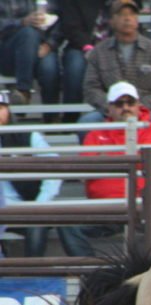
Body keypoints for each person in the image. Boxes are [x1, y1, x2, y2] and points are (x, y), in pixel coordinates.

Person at [79, 81, 151, 253]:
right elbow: (86, 169)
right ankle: (91, 267)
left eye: (130, 102)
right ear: (109, 108)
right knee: (67, 226)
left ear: (138, 105)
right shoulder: (94, 134)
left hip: (143, 205)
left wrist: (106, 159)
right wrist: (130, 159)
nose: (125, 107)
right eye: (119, 104)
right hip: (104, 208)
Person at [0, 91, 93, 257]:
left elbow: (54, 168)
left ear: (8, 110)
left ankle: (33, 271)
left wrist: (40, 204)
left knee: (38, 225)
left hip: (25, 208)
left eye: (1, 108)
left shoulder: (27, 136)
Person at [80, 0, 151, 137]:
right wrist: (113, 107)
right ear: (111, 21)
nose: (127, 18)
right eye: (121, 14)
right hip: (109, 111)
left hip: (147, 110)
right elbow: (91, 88)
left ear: (137, 19)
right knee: (86, 123)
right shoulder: (99, 52)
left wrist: (137, 106)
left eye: (132, 14)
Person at [59, 0, 124, 122]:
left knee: (121, 59)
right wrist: (87, 47)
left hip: (114, 46)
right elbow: (71, 27)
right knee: (75, 66)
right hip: (80, 46)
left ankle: (116, 112)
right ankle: (70, 117)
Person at [0, 0, 61, 119]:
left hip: (42, 48)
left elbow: (62, 21)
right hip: (9, 50)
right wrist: (22, 22)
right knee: (28, 33)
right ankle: (23, 91)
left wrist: (50, 44)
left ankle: (51, 118)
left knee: (49, 68)